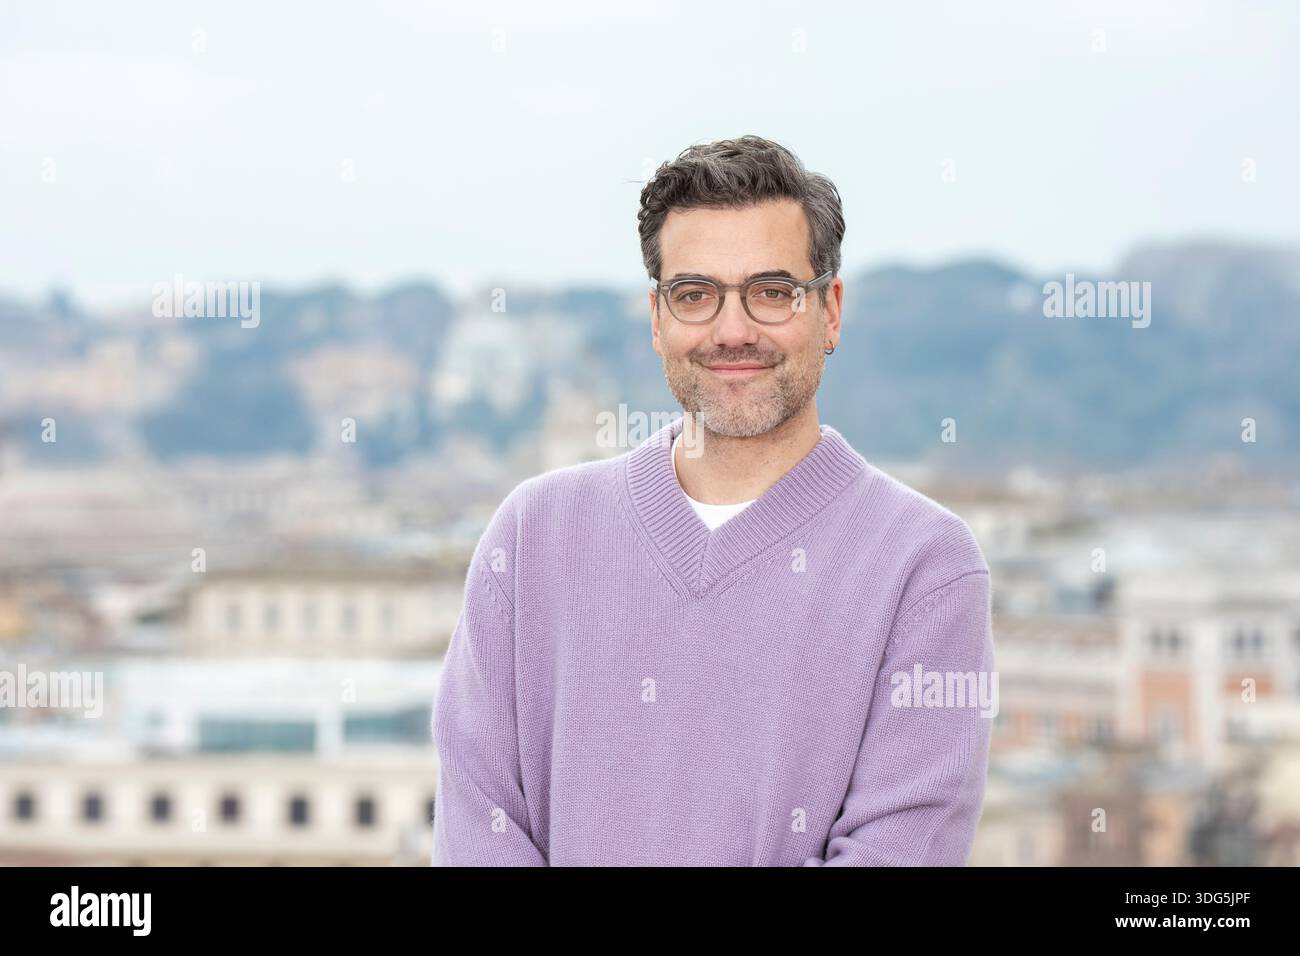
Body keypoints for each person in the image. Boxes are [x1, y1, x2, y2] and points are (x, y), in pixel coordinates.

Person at [431, 135, 994, 866]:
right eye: (696, 295)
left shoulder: (927, 568)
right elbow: (479, 836)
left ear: (830, 311)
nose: (733, 330)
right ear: (658, 318)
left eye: (771, 292)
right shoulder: (532, 536)